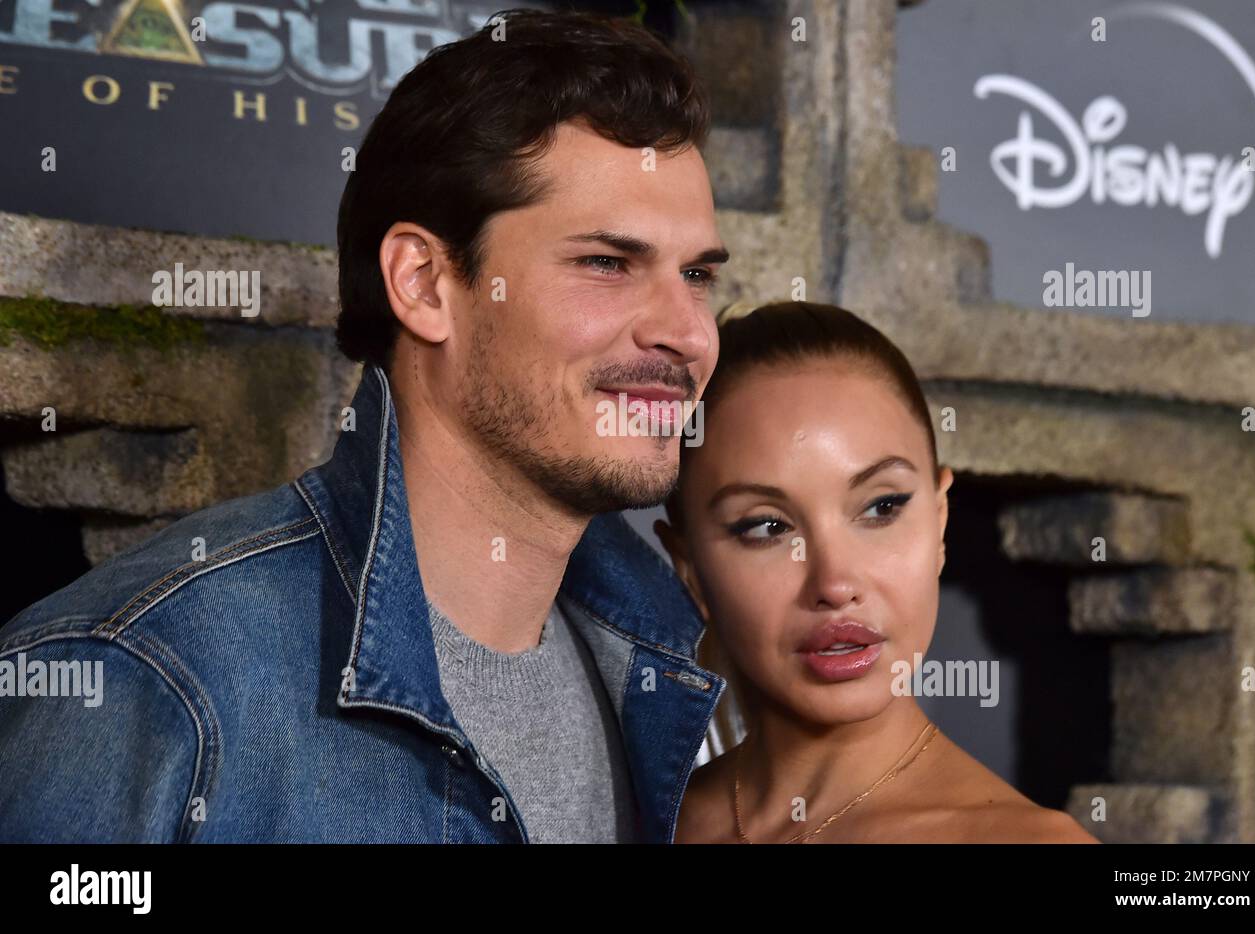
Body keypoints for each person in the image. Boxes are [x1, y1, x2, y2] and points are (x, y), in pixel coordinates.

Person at [0, 8, 730, 843]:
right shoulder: (145, 678)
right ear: (422, 282)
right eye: (607, 264)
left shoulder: (668, 669)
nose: (688, 333)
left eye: (698, 274)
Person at [655, 301, 1099, 843]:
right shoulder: (644, 820)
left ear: (939, 522)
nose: (835, 584)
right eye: (768, 527)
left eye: (881, 507)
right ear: (690, 568)